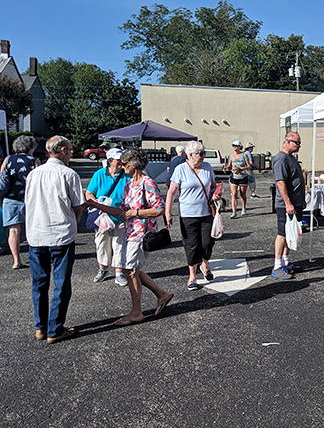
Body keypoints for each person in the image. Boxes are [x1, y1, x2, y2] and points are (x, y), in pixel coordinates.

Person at [87, 148, 173, 326]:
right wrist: (96, 205)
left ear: (133, 165)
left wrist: (136, 212)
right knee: (129, 269)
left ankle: (137, 312)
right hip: (129, 230)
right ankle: (161, 295)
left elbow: (159, 209)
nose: (122, 166)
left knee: (130, 269)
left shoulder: (147, 183)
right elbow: (122, 212)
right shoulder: (129, 184)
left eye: (125, 163)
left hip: (141, 233)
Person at [25, 136, 85, 343]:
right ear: (61, 150)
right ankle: (55, 328)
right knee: (61, 284)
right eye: (69, 149)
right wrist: (74, 221)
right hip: (61, 234)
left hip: (36, 234)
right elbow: (78, 206)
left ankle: (40, 327)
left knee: (39, 283)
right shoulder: (69, 174)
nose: (71, 152)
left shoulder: (34, 174)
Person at [166, 141, 218, 291]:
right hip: (188, 214)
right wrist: (167, 212)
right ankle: (192, 277)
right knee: (191, 245)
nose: (203, 157)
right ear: (190, 155)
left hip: (207, 212)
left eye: (204, 153)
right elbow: (172, 192)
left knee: (208, 243)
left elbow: (214, 186)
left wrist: (216, 194)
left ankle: (205, 264)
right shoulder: (180, 169)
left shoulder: (207, 167)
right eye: (200, 154)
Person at [85, 148, 130, 286]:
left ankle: (119, 273)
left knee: (120, 245)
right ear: (110, 161)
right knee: (102, 243)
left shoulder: (127, 175)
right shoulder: (99, 174)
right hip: (103, 216)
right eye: (118, 160)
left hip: (121, 215)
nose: (121, 162)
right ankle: (103, 269)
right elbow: (89, 194)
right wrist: (99, 204)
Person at [1, 135, 40, 269]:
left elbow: (2, 179)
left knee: (13, 230)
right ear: (31, 147)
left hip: (10, 199)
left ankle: (16, 261)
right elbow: (38, 182)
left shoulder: (8, 159)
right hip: (29, 200)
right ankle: (35, 258)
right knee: (32, 229)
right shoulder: (34, 160)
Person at [272, 131, 305, 280]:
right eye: (297, 143)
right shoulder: (280, 159)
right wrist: (288, 203)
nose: (299, 146)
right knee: (283, 234)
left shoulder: (291, 158)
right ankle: (277, 265)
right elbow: (280, 182)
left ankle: (285, 260)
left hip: (295, 204)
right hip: (286, 205)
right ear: (288, 141)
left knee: (291, 233)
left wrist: (301, 200)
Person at [224, 139, 251, 218]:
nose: (234, 147)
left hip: (242, 176)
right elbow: (229, 166)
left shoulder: (244, 155)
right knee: (234, 194)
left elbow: (249, 166)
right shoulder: (231, 156)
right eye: (233, 145)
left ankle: (243, 208)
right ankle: (234, 212)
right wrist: (226, 168)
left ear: (240, 147)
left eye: (236, 146)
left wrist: (243, 168)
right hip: (234, 177)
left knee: (242, 194)